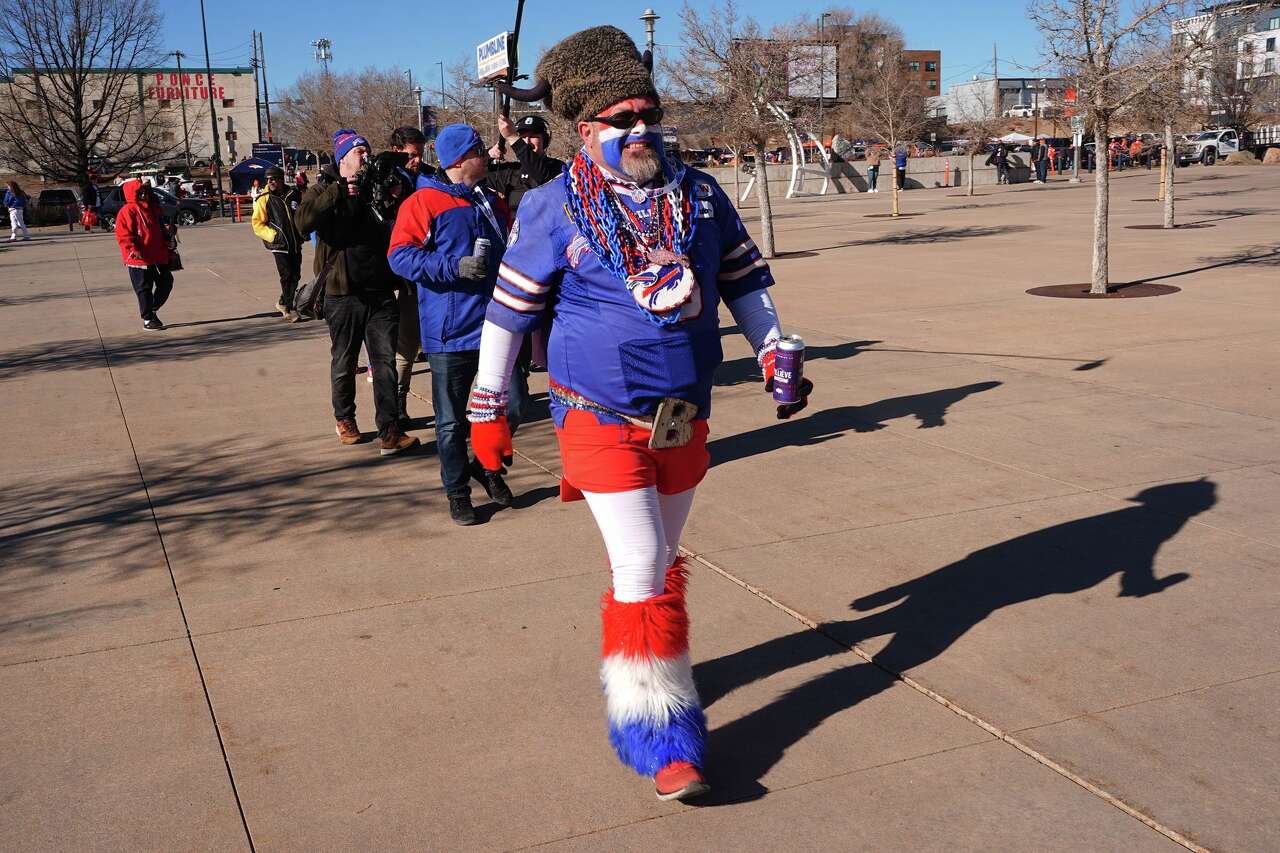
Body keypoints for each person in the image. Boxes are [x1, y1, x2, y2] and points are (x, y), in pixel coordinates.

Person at [478, 25, 812, 802]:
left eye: (648, 115)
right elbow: (509, 311)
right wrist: (490, 404)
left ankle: (647, 656)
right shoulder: (551, 204)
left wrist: (772, 347)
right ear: (584, 130)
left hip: (683, 415)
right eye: (620, 120)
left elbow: (743, 281)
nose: (639, 131)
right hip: (594, 414)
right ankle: (657, 733)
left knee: (658, 556)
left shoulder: (697, 195)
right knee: (639, 564)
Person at [388, 124, 528, 525]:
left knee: (513, 406)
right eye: (480, 151)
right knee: (450, 422)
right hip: (450, 332)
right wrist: (454, 267)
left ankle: (483, 466)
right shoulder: (424, 202)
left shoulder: (491, 201)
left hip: (498, 327)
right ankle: (457, 492)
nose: (488, 155)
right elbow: (399, 257)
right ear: (460, 160)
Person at [295, 128, 419, 456]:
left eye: (366, 150)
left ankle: (390, 430)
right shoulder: (323, 189)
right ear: (343, 158)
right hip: (342, 293)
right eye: (358, 151)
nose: (365, 155)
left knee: (384, 363)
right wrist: (341, 189)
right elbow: (303, 223)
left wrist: (391, 190)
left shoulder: (374, 188)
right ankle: (345, 418)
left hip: (379, 290)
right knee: (344, 360)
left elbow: (397, 217)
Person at [386, 126, 437, 429]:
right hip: (390, 271)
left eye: (420, 154)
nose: (416, 160)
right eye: (411, 154)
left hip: (419, 271)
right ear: (396, 151)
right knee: (400, 347)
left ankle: (403, 402)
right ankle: (396, 402)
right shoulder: (381, 178)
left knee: (412, 341)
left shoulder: (426, 177)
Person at [114, 179, 175, 330]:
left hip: (158, 255)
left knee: (166, 282)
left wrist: (169, 238)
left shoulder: (154, 209)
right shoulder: (127, 211)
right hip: (139, 258)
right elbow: (123, 235)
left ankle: (151, 309)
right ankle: (148, 318)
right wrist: (132, 249)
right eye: (139, 192)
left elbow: (161, 229)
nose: (143, 195)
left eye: (145, 192)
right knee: (144, 288)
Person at [251, 166, 304, 321]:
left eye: (273, 179)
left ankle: (282, 301)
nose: (270, 182)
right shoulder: (264, 199)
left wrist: (304, 230)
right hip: (279, 245)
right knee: (286, 275)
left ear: (281, 179)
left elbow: (302, 214)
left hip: (295, 243)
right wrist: (273, 236)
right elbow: (257, 224)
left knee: (295, 275)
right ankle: (289, 308)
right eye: (268, 179)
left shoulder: (293, 194)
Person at [486, 114, 567, 213]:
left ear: (544, 141)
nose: (527, 142)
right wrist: (488, 155)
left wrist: (512, 137)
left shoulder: (557, 167)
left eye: (533, 136)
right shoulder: (511, 172)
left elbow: (541, 175)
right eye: (523, 137)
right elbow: (474, 176)